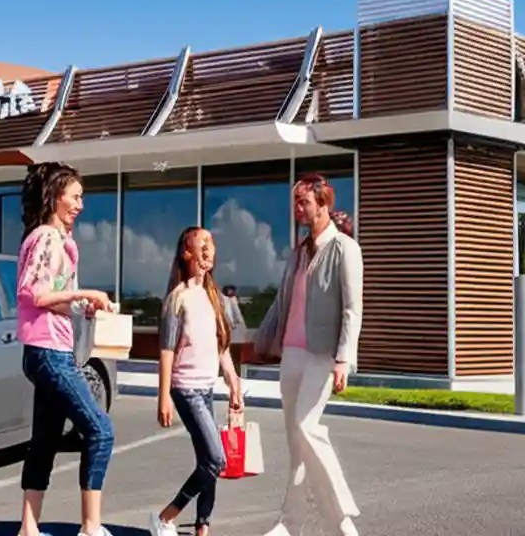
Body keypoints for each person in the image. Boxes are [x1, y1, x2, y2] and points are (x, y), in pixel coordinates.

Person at [253, 175, 364, 536]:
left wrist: (344, 358)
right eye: (295, 202)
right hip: (292, 352)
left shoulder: (345, 249)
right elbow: (282, 302)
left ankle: (342, 518)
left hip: (322, 353)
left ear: (323, 204)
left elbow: (352, 309)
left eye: (304, 202)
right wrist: (260, 339)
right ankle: (289, 524)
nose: (298, 209)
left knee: (307, 428)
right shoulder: (298, 252)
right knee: (297, 445)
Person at [16, 161, 118, 536]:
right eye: (74, 197)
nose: (80, 205)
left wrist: (81, 305)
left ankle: (29, 529)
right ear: (54, 197)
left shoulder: (54, 240)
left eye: (81, 197)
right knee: (100, 430)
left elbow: (50, 300)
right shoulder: (47, 238)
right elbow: (34, 293)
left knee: (44, 441)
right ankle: (91, 527)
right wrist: (85, 293)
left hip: (47, 349)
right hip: (49, 352)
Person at [149, 227, 243, 536]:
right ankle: (165, 517)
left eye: (211, 243)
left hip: (206, 387)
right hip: (185, 389)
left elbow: (221, 345)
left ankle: (203, 523)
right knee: (215, 459)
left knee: (207, 459)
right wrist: (163, 396)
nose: (208, 247)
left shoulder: (214, 297)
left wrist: (232, 380)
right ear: (186, 253)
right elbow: (166, 350)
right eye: (201, 242)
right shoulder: (177, 298)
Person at [221, 284, 248, 378]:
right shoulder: (224, 300)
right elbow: (227, 314)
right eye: (230, 290)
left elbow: (239, 317)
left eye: (233, 290)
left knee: (236, 358)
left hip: (237, 334)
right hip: (229, 334)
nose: (231, 292)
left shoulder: (234, 300)